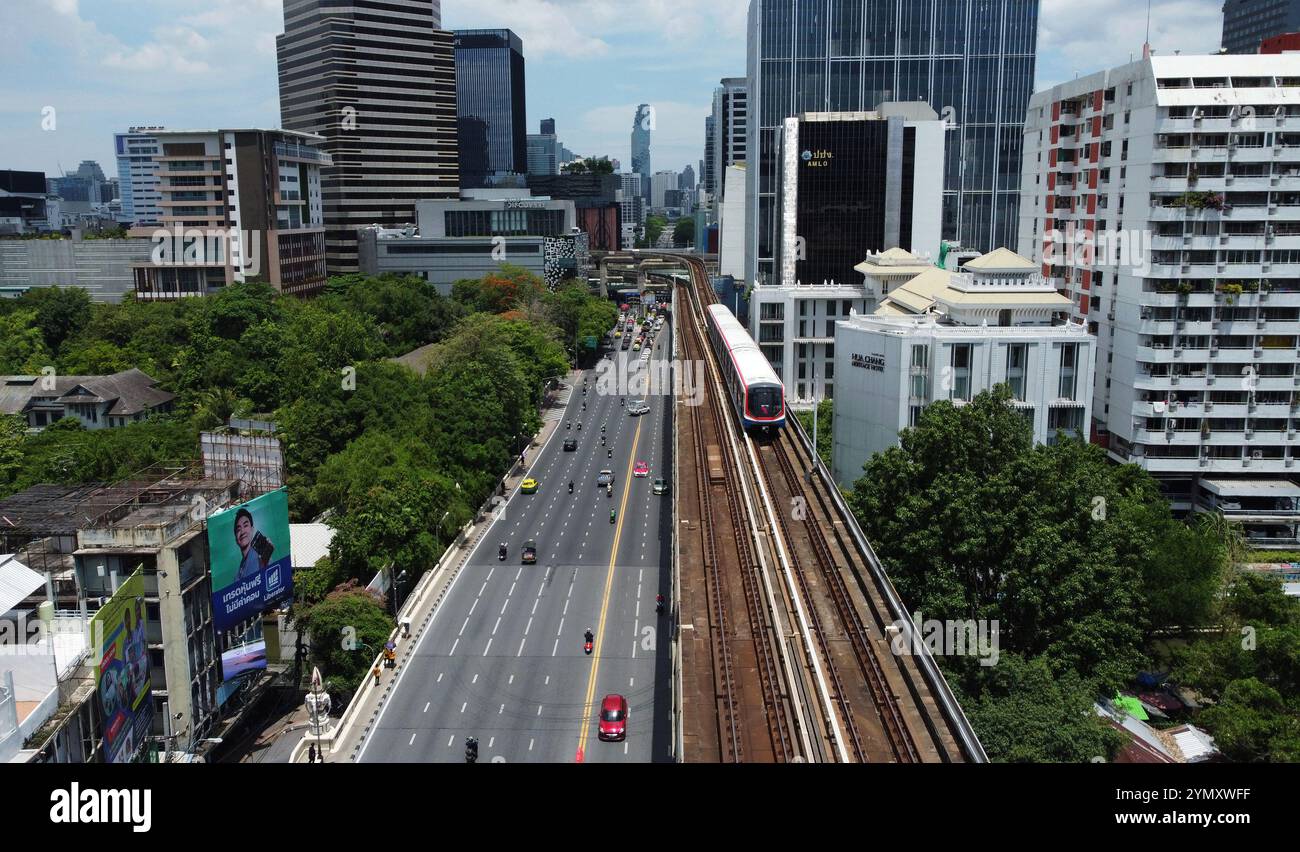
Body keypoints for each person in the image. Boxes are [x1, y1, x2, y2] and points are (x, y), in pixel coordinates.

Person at [233, 507, 272, 582]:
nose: (242, 531)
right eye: (238, 529)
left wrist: (264, 566)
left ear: (252, 529)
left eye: (245, 525)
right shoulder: (238, 574)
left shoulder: (261, 552)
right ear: (235, 537)